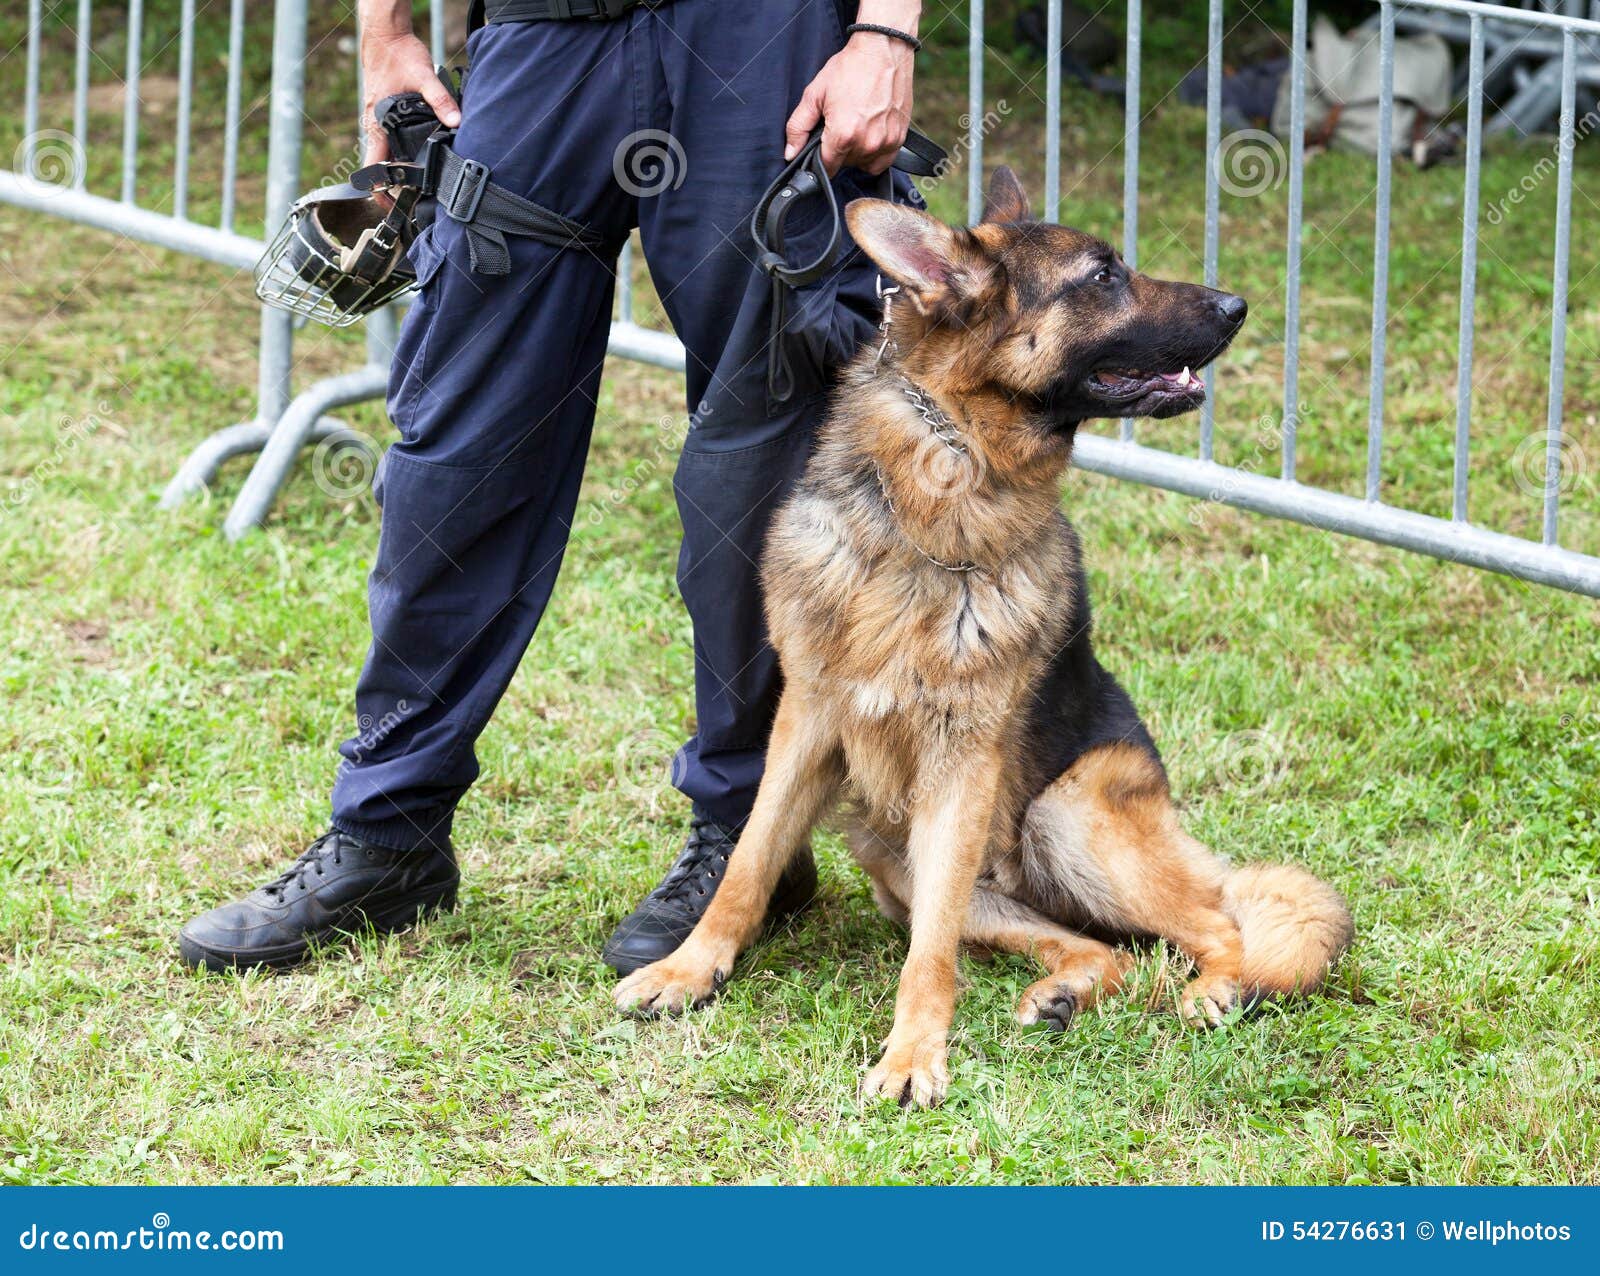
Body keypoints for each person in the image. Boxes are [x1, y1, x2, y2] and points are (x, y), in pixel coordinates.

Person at [179, 0, 923, 974]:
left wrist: (886, 33)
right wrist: (386, 31)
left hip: (756, 27)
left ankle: (752, 836)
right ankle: (387, 833)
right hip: (541, 33)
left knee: (760, 456)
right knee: (457, 448)